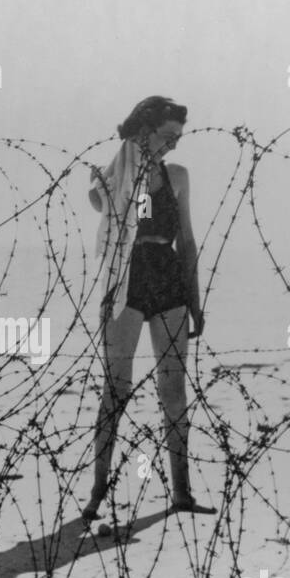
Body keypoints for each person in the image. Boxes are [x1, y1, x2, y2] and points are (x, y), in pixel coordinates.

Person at [83, 96, 212, 520]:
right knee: (115, 390)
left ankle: (182, 492)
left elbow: (188, 241)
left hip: (168, 279)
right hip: (127, 282)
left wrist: (195, 299)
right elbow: (116, 211)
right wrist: (127, 173)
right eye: (167, 136)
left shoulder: (178, 176)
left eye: (179, 137)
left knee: (173, 388)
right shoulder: (111, 180)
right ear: (145, 132)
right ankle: (98, 491)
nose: (174, 144)